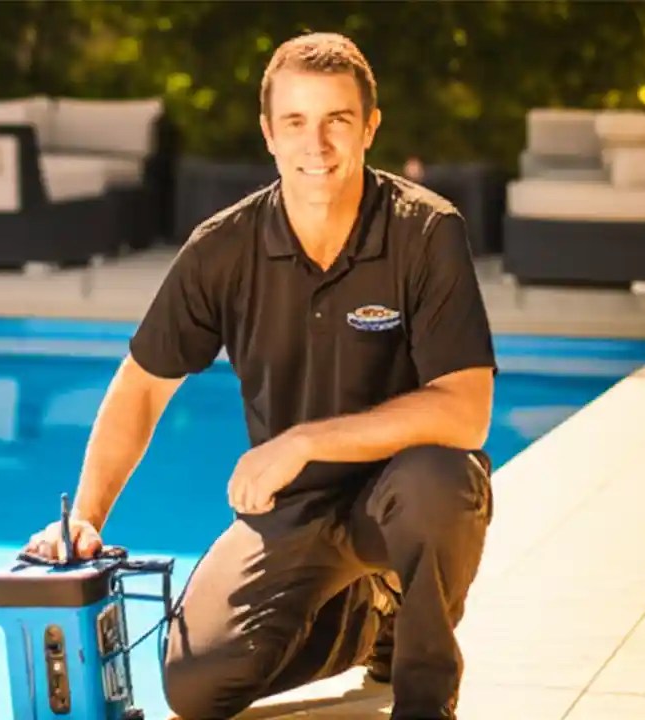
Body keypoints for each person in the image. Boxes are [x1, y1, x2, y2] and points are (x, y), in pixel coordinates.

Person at [24, 32, 496, 720]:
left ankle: (422, 693)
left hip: (397, 495)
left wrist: (303, 441)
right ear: (269, 134)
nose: (317, 144)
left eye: (337, 119)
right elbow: (142, 386)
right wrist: (87, 519)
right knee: (195, 688)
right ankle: (371, 614)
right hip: (291, 511)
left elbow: (466, 410)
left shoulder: (426, 232)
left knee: (442, 482)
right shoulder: (223, 248)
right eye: (295, 122)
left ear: (370, 127)